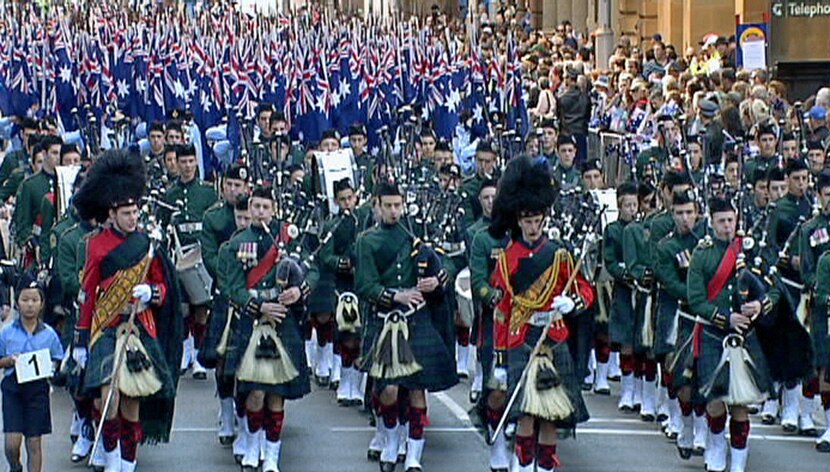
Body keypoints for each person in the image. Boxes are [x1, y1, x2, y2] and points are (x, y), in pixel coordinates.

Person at [72, 150, 182, 472]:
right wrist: (80, 340)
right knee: (109, 401)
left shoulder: (148, 245)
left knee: (131, 402)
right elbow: (87, 293)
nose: (132, 218)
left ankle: (128, 462)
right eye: (126, 213)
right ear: (112, 212)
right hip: (105, 326)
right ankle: (111, 457)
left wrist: (151, 293)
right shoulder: (96, 244)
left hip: (138, 327)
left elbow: (165, 290)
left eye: (135, 212)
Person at [488, 156, 593, 472]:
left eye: (537, 221)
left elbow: (586, 291)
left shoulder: (560, 255)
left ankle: (545, 467)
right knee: (524, 413)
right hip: (522, 338)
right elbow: (503, 312)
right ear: (519, 221)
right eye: (527, 221)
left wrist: (571, 303)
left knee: (551, 414)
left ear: (544, 220)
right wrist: (502, 360)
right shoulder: (507, 259)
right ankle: (521, 466)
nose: (533, 227)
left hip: (553, 336)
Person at [355, 182, 457, 472]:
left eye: (398, 205)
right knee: (387, 390)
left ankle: (413, 454)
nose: (393, 211)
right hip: (385, 320)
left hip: (417, 319)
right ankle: (390, 439)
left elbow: (445, 263)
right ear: (376, 205)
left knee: (417, 389)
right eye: (388, 205)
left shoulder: (415, 236)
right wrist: (395, 296)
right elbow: (364, 284)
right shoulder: (367, 241)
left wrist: (438, 281)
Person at [218, 186, 311, 472]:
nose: (259, 212)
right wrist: (259, 307)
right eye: (255, 207)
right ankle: (252, 444)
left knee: (276, 394)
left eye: (265, 207)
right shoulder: (236, 244)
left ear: (274, 210)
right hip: (252, 321)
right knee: (255, 391)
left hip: (283, 321)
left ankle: (271, 455)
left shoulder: (288, 238)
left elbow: (312, 268)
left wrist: (300, 290)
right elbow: (231, 287)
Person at [685, 198, 776, 472]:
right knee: (714, 402)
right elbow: (696, 300)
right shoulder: (703, 254)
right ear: (711, 223)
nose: (727, 226)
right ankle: (715, 447)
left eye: (731, 220)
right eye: (721, 221)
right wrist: (726, 318)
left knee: (740, 403)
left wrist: (760, 305)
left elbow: (776, 289)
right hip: (714, 334)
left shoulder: (751, 250)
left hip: (746, 337)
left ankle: (738, 463)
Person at [196, 163, 250, 446]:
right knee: (222, 359)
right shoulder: (213, 218)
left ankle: (245, 419)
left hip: (251, 298)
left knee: (248, 362)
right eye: (229, 185)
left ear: (247, 188)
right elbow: (210, 257)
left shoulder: (256, 215)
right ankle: (227, 412)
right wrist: (233, 279)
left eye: (238, 186)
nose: (233, 190)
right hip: (224, 294)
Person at [654, 189, 707, 454]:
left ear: (697, 213)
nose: (685, 218)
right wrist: (698, 295)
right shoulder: (666, 247)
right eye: (679, 213)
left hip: (705, 316)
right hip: (676, 313)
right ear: (672, 214)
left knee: (703, 374)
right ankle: (682, 421)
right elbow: (670, 281)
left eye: (689, 212)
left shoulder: (706, 243)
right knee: (676, 372)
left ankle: (701, 428)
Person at [160, 144, 218, 379]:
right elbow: (163, 225)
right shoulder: (169, 194)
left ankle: (199, 356)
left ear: (196, 162)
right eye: (182, 161)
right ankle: (185, 352)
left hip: (200, 252)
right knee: (182, 307)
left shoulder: (208, 191)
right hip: (178, 254)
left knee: (201, 306)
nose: (186, 166)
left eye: (190, 161)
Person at [0, 275, 64, 472]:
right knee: (12, 444)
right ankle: (15, 466)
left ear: (42, 303)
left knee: (34, 442)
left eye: (35, 300)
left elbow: (59, 360)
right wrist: (9, 361)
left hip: (37, 390)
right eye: (25, 300)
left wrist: (53, 370)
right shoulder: (7, 332)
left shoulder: (49, 334)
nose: (30, 305)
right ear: (17, 303)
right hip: (13, 389)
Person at [604, 183, 639, 407]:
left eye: (635, 205)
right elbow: (610, 260)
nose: (632, 210)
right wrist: (625, 273)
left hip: (642, 291)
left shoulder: (642, 228)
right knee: (626, 340)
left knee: (641, 343)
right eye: (628, 205)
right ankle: (626, 391)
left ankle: (640, 390)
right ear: (619, 206)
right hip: (624, 290)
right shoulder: (613, 230)